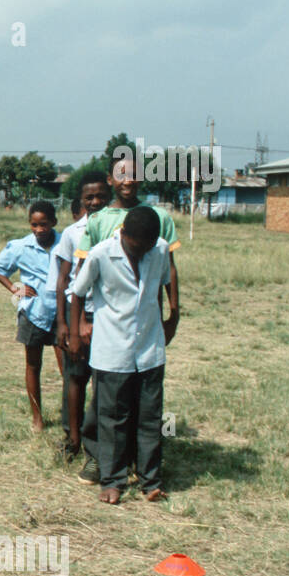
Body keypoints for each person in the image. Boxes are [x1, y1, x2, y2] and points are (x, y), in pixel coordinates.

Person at [71, 152, 181, 483]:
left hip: (145, 333)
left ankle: (141, 468)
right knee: (107, 404)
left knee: (145, 406)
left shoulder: (160, 222)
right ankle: (99, 460)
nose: (128, 180)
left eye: (134, 173)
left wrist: (174, 313)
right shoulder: (99, 222)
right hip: (108, 327)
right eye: (121, 173)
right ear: (111, 178)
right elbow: (81, 280)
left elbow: (169, 273)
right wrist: (81, 322)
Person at [52, 172, 112, 461]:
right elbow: (63, 281)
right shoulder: (71, 233)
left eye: (101, 195)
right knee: (74, 378)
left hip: (108, 316)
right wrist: (64, 323)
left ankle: (97, 441)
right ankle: (71, 438)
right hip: (79, 314)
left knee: (104, 382)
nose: (95, 201)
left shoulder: (118, 229)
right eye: (89, 197)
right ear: (81, 200)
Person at [0, 200, 62, 432]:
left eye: (44, 224)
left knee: (68, 368)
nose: (39, 230)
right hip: (34, 313)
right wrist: (14, 288)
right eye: (34, 225)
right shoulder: (21, 247)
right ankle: (37, 417)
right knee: (33, 365)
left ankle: (72, 417)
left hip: (61, 313)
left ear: (53, 222)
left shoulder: (66, 243)